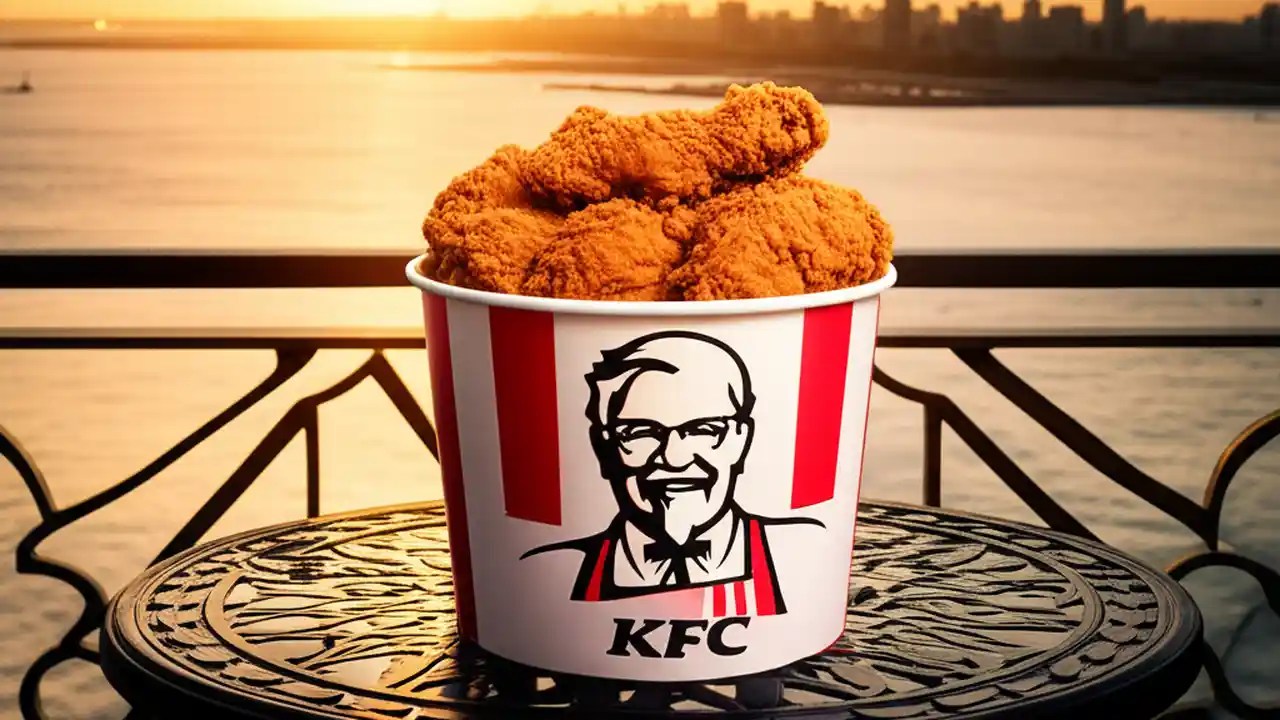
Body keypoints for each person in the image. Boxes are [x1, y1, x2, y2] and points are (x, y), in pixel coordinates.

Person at [522, 331, 820, 616]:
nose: (674, 459)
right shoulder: (550, 571)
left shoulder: (801, 550)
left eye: (704, 429)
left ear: (741, 440)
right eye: (641, 432)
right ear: (604, 448)